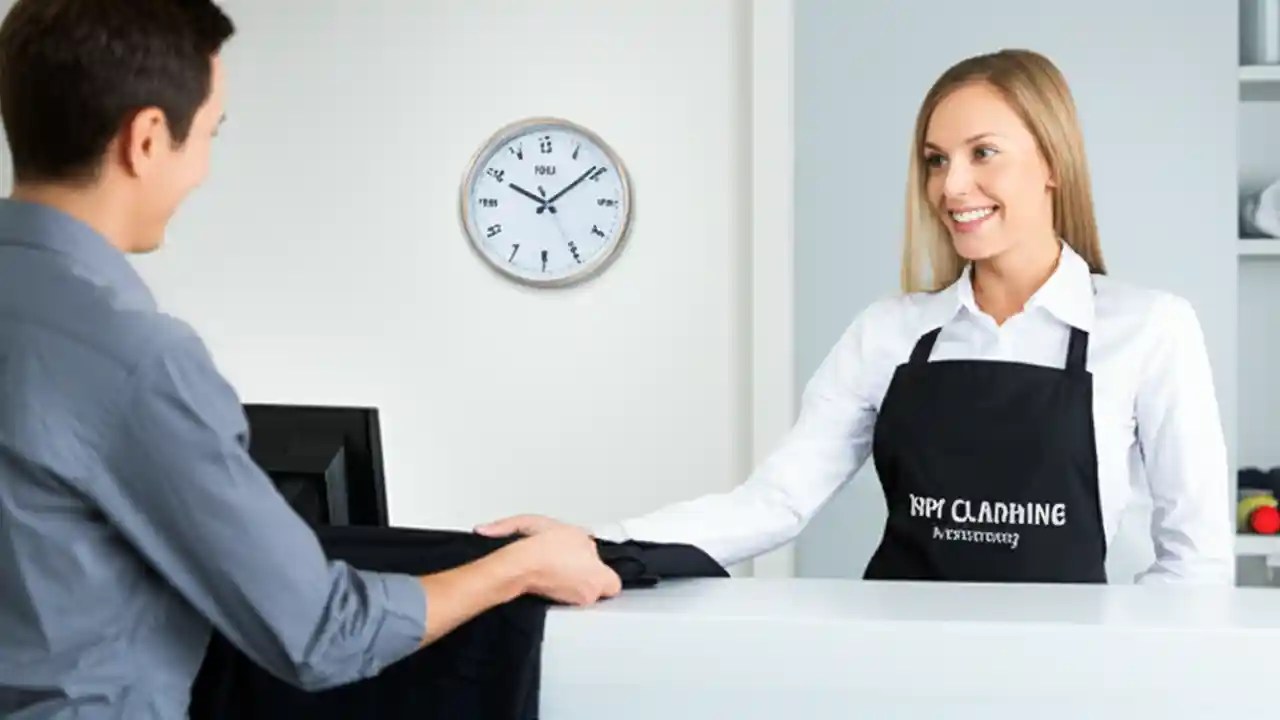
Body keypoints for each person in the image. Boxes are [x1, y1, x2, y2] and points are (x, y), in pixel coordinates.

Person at [0, 1, 619, 718]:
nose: (201, 168)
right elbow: (322, 634)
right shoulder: (137, 359)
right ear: (144, 140)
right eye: (208, 134)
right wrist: (522, 566)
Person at [480, 48, 1233, 585]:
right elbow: (774, 504)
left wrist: (1126, 677)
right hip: (897, 672)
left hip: (1070, 683)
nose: (952, 185)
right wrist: (598, 541)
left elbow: (1195, 561)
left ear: (1052, 166)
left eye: (983, 152)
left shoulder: (1150, 329)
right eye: (936, 159)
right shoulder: (890, 333)